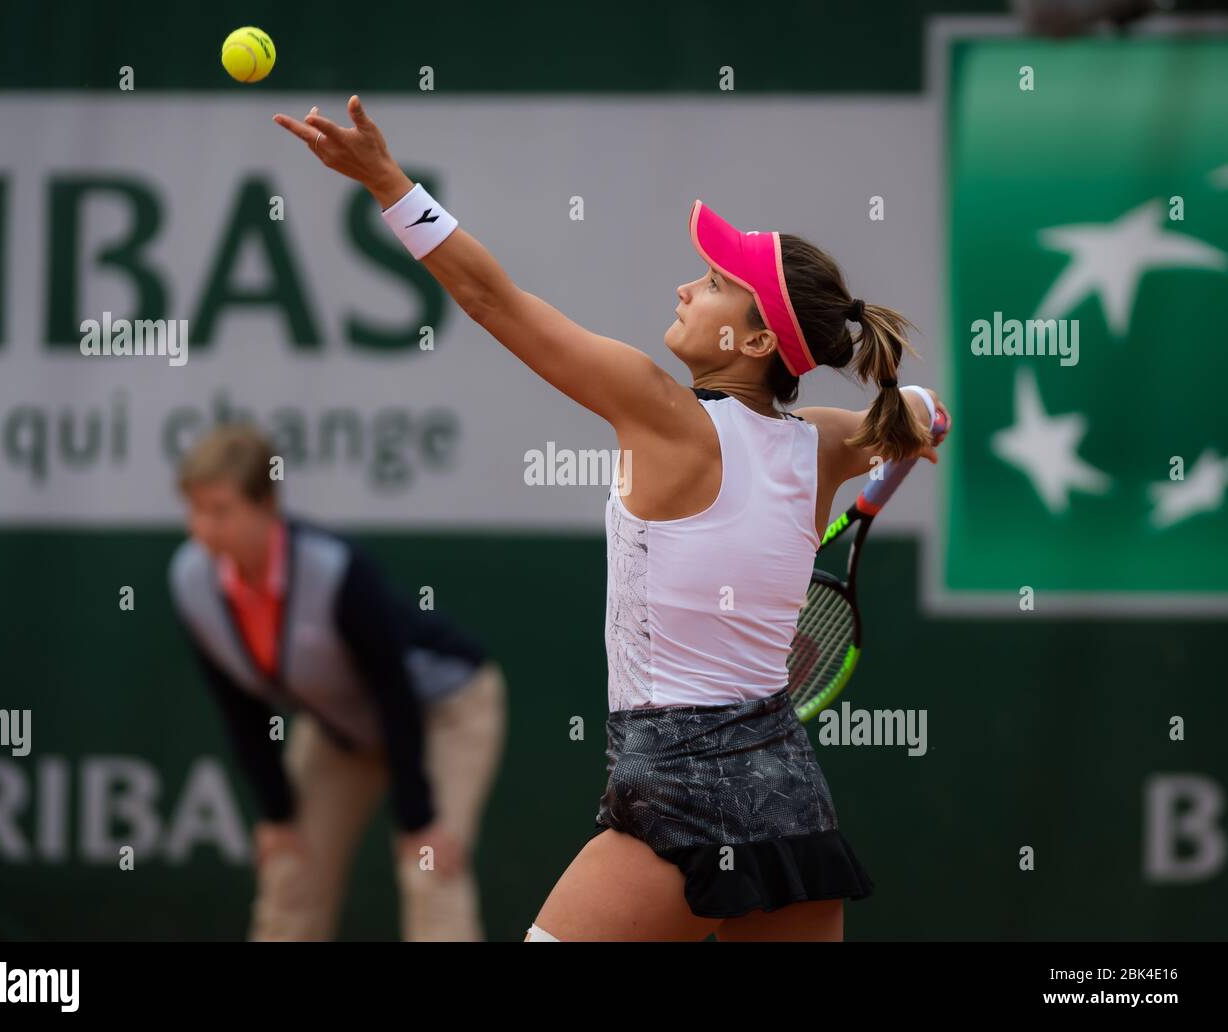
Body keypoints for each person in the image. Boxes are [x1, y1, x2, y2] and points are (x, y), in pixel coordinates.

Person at [272, 97, 949, 941]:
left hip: (677, 794)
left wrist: (384, 180)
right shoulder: (823, 443)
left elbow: (491, 301)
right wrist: (918, 408)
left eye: (712, 286)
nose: (686, 286)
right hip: (790, 805)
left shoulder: (663, 412)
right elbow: (912, 417)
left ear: (752, 343)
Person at [168, 423, 506, 941]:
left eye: (221, 510)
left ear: (267, 504)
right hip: (343, 727)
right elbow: (239, 706)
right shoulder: (192, 582)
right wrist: (276, 812)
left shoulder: (335, 571)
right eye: (195, 510)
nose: (204, 528)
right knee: (290, 868)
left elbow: (395, 691)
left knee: (428, 867)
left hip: (445, 710)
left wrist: (418, 818)